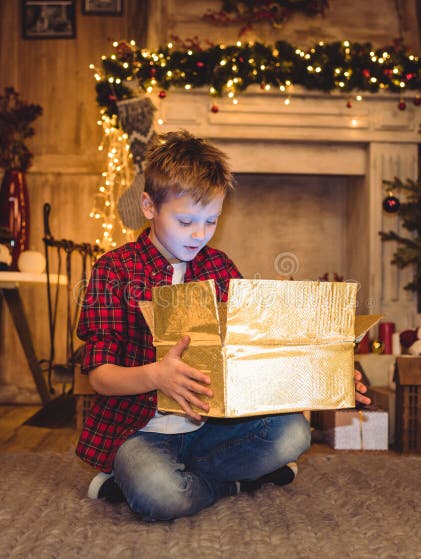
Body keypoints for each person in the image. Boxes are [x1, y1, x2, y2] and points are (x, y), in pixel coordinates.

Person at [75, 130, 371, 521]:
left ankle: (169, 482)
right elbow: (100, 376)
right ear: (148, 206)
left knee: (295, 433)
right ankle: (234, 481)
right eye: (185, 221)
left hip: (212, 429)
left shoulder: (218, 268)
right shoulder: (114, 270)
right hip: (142, 432)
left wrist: (323, 374)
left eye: (211, 221)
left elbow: (257, 349)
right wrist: (156, 375)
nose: (199, 234)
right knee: (160, 497)